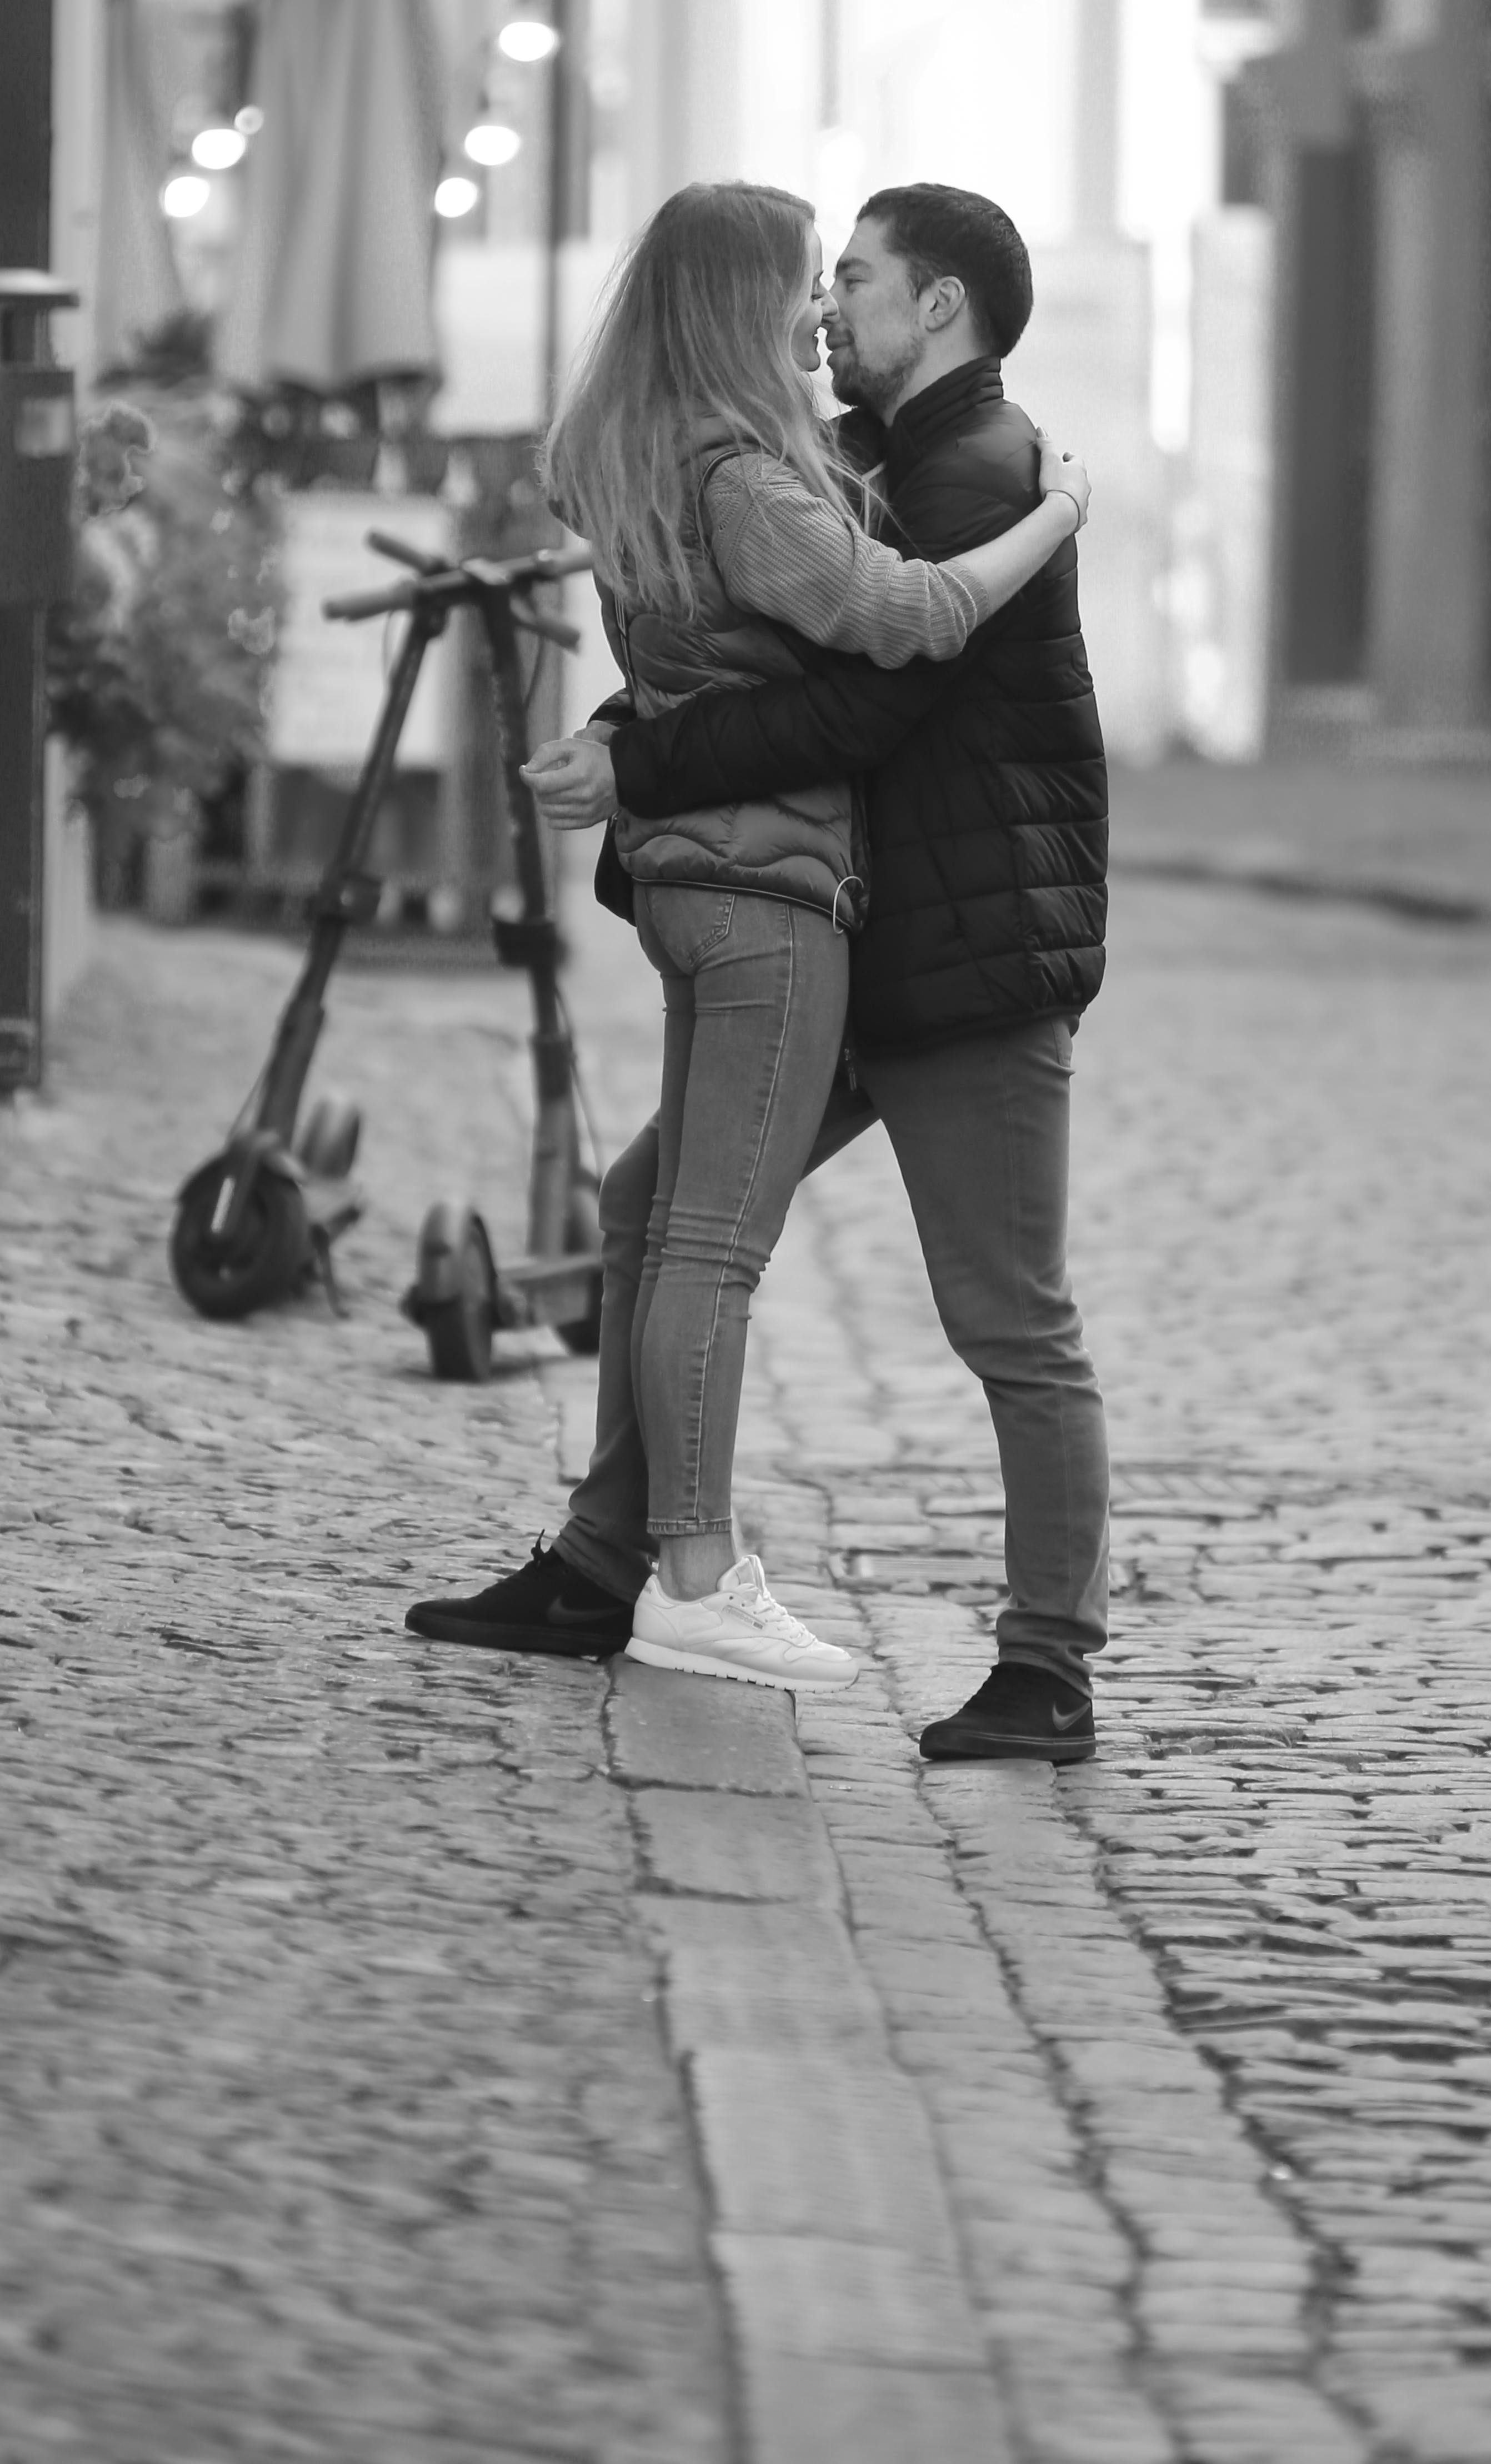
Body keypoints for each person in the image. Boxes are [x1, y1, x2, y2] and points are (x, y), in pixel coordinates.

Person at [407, 180, 1090, 1696]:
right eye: (811, 279)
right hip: (803, 910)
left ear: (940, 308)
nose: (825, 307)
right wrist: (630, 733)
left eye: (850, 279)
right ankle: (637, 1566)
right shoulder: (820, 465)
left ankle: (1046, 1665)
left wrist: (632, 754)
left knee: (991, 1311)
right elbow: (810, 648)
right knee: (678, 1220)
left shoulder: (951, 464)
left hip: (937, 948)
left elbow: (845, 692)